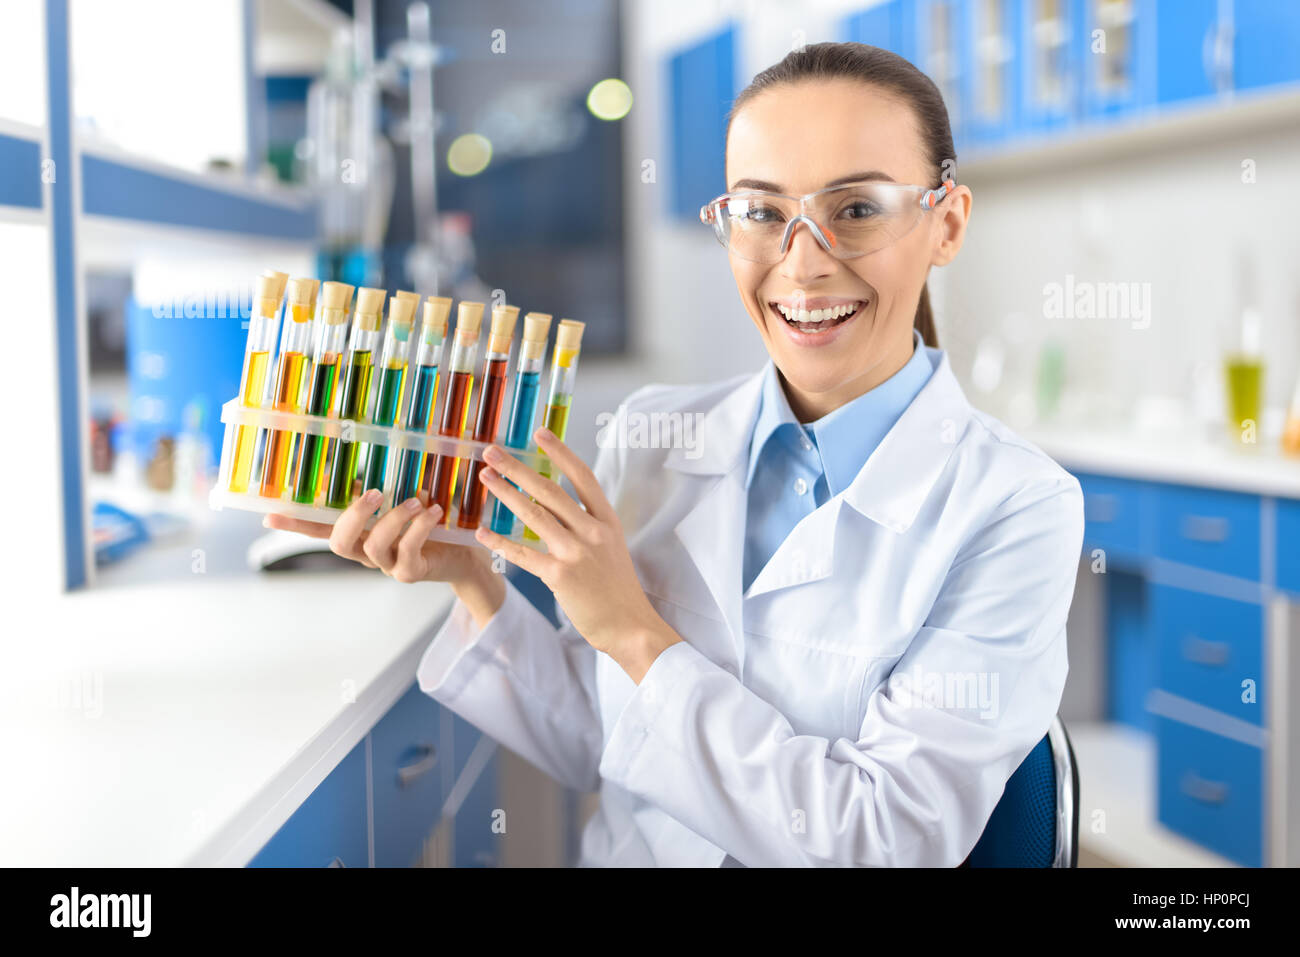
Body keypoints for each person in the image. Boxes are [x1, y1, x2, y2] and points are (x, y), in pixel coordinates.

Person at [269, 41, 1084, 867]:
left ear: (945, 223)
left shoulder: (1017, 506)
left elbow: (887, 838)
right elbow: (607, 745)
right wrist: (472, 580)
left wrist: (630, 627)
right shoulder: (654, 438)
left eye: (858, 209)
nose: (802, 264)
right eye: (762, 213)